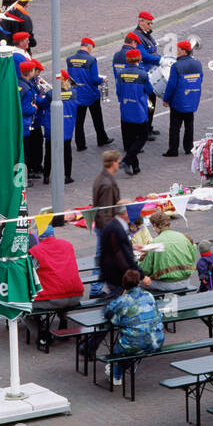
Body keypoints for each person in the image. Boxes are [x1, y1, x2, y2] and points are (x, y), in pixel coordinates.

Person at [101, 269, 165, 386]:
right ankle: (118, 369)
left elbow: (108, 312)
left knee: (123, 343)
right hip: (157, 340)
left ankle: (117, 376)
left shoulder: (123, 300)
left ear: (123, 284)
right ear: (138, 283)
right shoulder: (149, 295)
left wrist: (122, 296)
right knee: (133, 334)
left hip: (133, 343)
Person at [29, 221, 84, 350]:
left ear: (38, 237)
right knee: (62, 285)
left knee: (23, 307)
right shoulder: (68, 245)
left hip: (54, 299)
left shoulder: (36, 250)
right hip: (76, 295)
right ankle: (63, 320)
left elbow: (30, 272)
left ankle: (42, 334)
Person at [96, 205, 149, 302]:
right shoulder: (117, 229)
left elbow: (116, 248)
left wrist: (131, 247)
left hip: (111, 273)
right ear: (125, 213)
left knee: (116, 302)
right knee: (116, 303)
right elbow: (125, 257)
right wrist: (142, 276)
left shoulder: (113, 225)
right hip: (116, 274)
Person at [67, 37, 112, 153]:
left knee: (79, 121)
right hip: (91, 94)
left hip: (77, 94)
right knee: (97, 118)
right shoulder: (91, 60)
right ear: (89, 46)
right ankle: (102, 139)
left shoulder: (70, 59)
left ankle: (80, 144)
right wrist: (102, 80)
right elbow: (94, 79)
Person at [115, 48, 154, 177]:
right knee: (142, 138)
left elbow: (119, 93)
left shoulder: (121, 74)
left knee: (131, 140)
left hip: (125, 110)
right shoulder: (142, 74)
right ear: (138, 59)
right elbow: (149, 90)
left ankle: (135, 167)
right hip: (139, 111)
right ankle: (126, 161)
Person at [138, 210, 199, 292]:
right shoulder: (184, 237)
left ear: (155, 225)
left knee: (139, 280)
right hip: (185, 281)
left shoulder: (155, 243)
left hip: (166, 284)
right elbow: (192, 257)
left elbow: (145, 270)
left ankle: (155, 302)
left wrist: (141, 259)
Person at [89, 150, 123, 297]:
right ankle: (96, 288)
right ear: (114, 162)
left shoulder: (101, 178)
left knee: (103, 256)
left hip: (102, 226)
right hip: (105, 228)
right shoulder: (107, 184)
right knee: (103, 257)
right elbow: (106, 211)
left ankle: (100, 286)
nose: (119, 164)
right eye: (118, 162)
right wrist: (110, 232)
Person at [163, 40, 203, 157]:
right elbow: (200, 79)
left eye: (178, 49)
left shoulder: (176, 66)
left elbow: (171, 85)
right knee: (189, 125)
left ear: (184, 51)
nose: (176, 51)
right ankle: (188, 147)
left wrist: (166, 99)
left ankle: (173, 150)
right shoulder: (198, 63)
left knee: (175, 126)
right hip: (192, 99)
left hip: (178, 101)